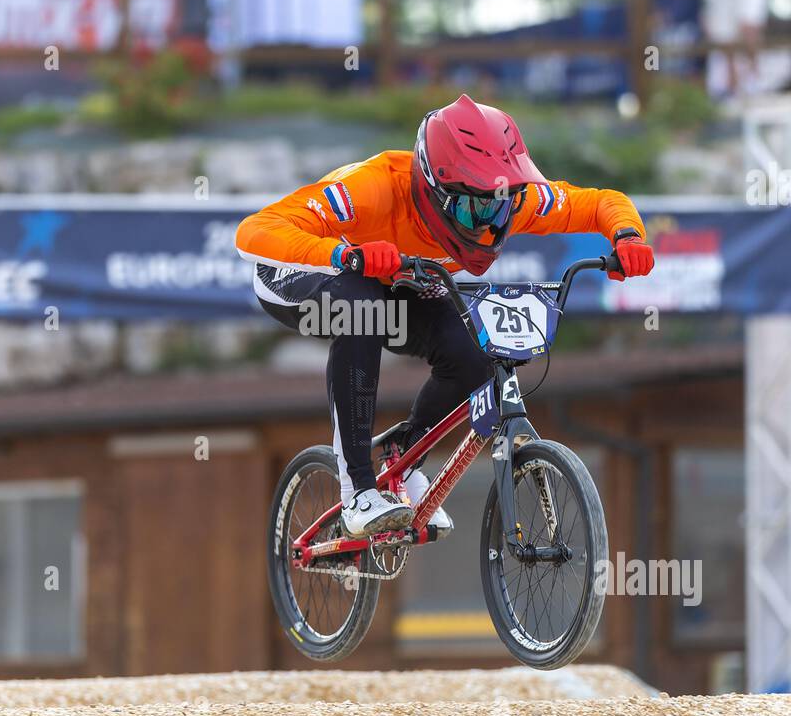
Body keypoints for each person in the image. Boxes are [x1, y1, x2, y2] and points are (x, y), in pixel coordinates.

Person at [235, 94, 655, 536]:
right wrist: (345, 253)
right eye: (471, 207)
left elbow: (599, 202)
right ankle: (356, 490)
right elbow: (254, 232)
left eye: (499, 207)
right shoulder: (375, 188)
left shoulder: (509, 198)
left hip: (391, 281)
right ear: (432, 187)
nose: (486, 224)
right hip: (299, 274)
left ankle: (405, 454)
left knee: (473, 355)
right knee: (361, 310)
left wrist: (627, 236)